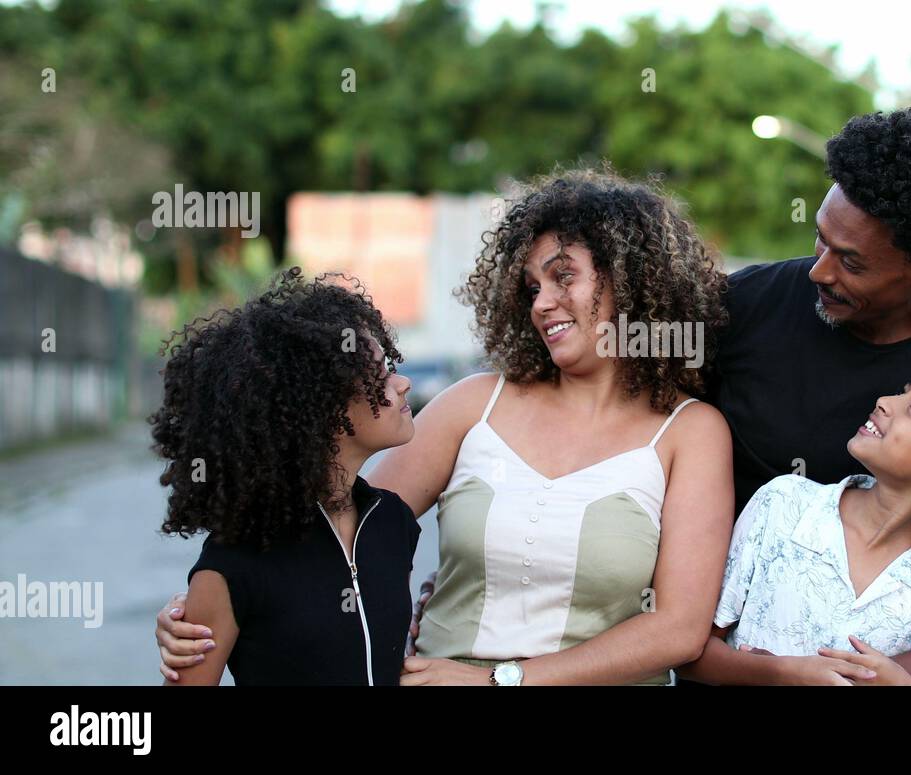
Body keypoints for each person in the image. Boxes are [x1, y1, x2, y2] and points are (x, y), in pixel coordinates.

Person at [154, 169, 735, 685]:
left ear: (633, 281)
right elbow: (330, 535)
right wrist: (207, 606)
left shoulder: (691, 432)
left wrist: (505, 682)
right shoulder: (474, 406)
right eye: (532, 287)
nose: (541, 303)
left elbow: (678, 630)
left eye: (563, 278)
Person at [703, 108, 911, 685]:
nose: (819, 270)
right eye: (821, 239)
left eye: (851, 261)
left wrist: (874, 680)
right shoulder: (748, 303)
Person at [680, 361, 911, 685]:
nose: (885, 401)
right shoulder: (784, 503)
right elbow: (688, 653)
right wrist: (777, 672)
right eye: (902, 391)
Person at [150, 268, 419, 685]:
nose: (402, 383)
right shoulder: (235, 559)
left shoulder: (394, 522)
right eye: (379, 375)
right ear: (323, 409)